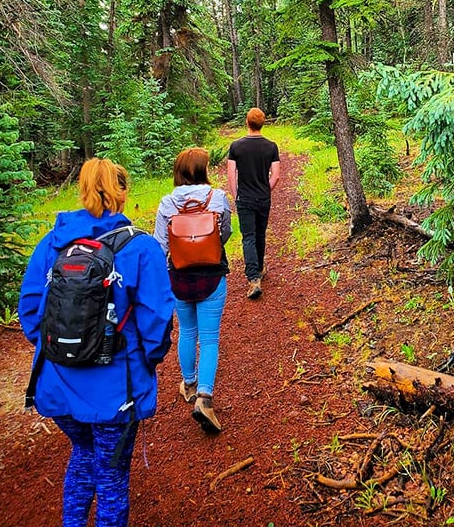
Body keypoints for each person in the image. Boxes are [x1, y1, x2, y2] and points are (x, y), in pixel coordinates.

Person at [19, 158, 174, 527]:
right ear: (122, 192)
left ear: (82, 188)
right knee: (111, 477)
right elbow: (157, 323)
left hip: (57, 387)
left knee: (84, 453)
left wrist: (61, 352)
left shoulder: (51, 244)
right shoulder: (142, 248)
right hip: (115, 393)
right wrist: (147, 361)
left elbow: (29, 314)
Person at [154, 148, 232, 433]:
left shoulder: (166, 203)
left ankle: (188, 384)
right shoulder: (218, 198)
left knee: (187, 332)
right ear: (202, 169)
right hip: (212, 275)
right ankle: (204, 397)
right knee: (209, 339)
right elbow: (225, 234)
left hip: (179, 276)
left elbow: (160, 245)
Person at [227, 107, 280, 300]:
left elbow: (231, 175)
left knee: (248, 236)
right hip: (263, 197)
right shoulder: (271, 147)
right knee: (260, 233)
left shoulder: (236, 146)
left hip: (245, 198)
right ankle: (259, 267)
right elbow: (276, 175)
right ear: (262, 124)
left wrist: (236, 195)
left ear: (247, 123)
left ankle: (253, 278)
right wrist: (267, 190)